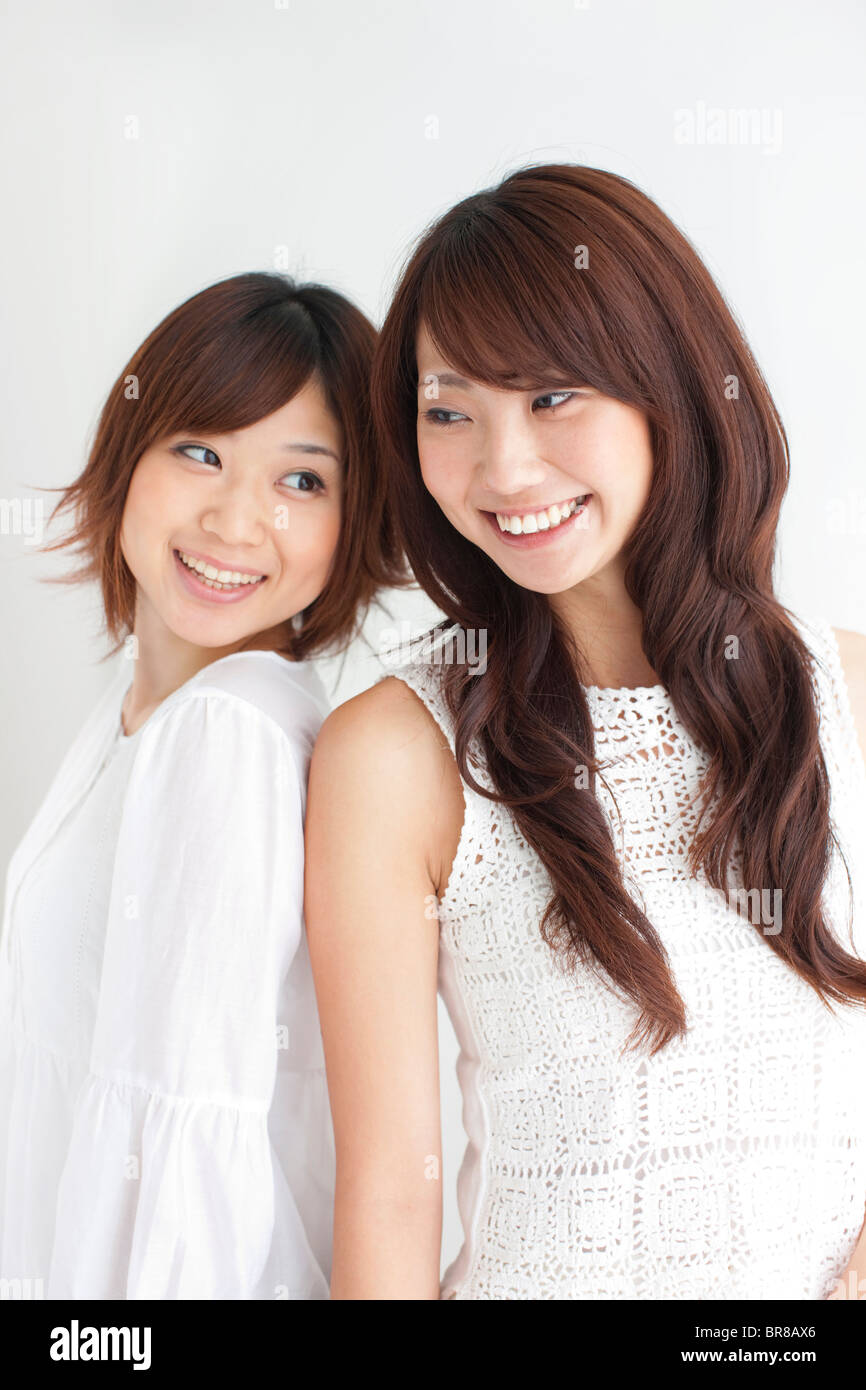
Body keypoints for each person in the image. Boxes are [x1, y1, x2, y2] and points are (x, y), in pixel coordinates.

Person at [305, 165, 866, 1300]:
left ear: (670, 386)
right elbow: (387, 1188)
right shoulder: (397, 751)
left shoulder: (844, 691)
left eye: (550, 396)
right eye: (448, 410)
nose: (501, 468)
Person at [0, 270, 402, 1298]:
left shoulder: (227, 731)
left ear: (355, 517)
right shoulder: (144, 720)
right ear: (128, 459)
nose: (236, 521)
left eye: (302, 481)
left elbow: (183, 1150)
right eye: (201, 452)